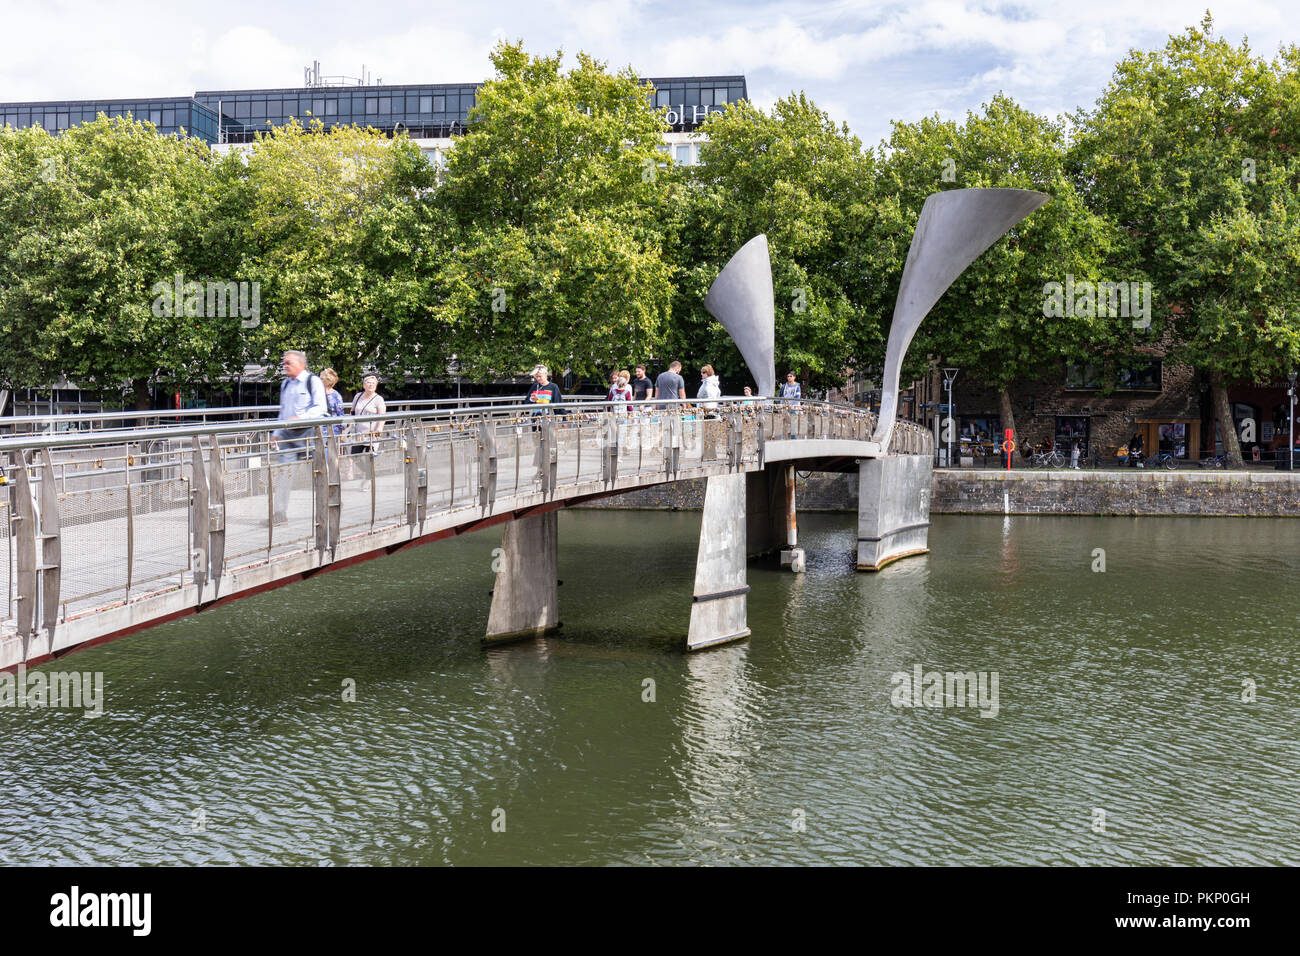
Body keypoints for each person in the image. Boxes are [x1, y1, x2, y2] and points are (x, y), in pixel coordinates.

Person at [271, 350, 327, 525]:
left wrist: (301, 418)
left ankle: (328, 507)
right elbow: (283, 410)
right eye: (284, 363)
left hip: (309, 433)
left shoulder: (313, 381)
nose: (285, 366)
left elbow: (321, 408)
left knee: (320, 473)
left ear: (301, 364)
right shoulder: (285, 384)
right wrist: (277, 433)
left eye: (289, 363)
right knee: (284, 474)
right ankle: (280, 514)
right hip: (288, 435)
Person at [348, 373, 386, 482]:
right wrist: (348, 428)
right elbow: (352, 412)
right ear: (364, 385)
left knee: (370, 457)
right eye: (368, 383)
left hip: (372, 433)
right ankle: (369, 474)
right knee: (355, 456)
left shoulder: (378, 399)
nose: (371, 385)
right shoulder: (358, 396)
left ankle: (368, 480)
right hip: (359, 433)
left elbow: (382, 416)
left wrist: (379, 429)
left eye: (373, 383)